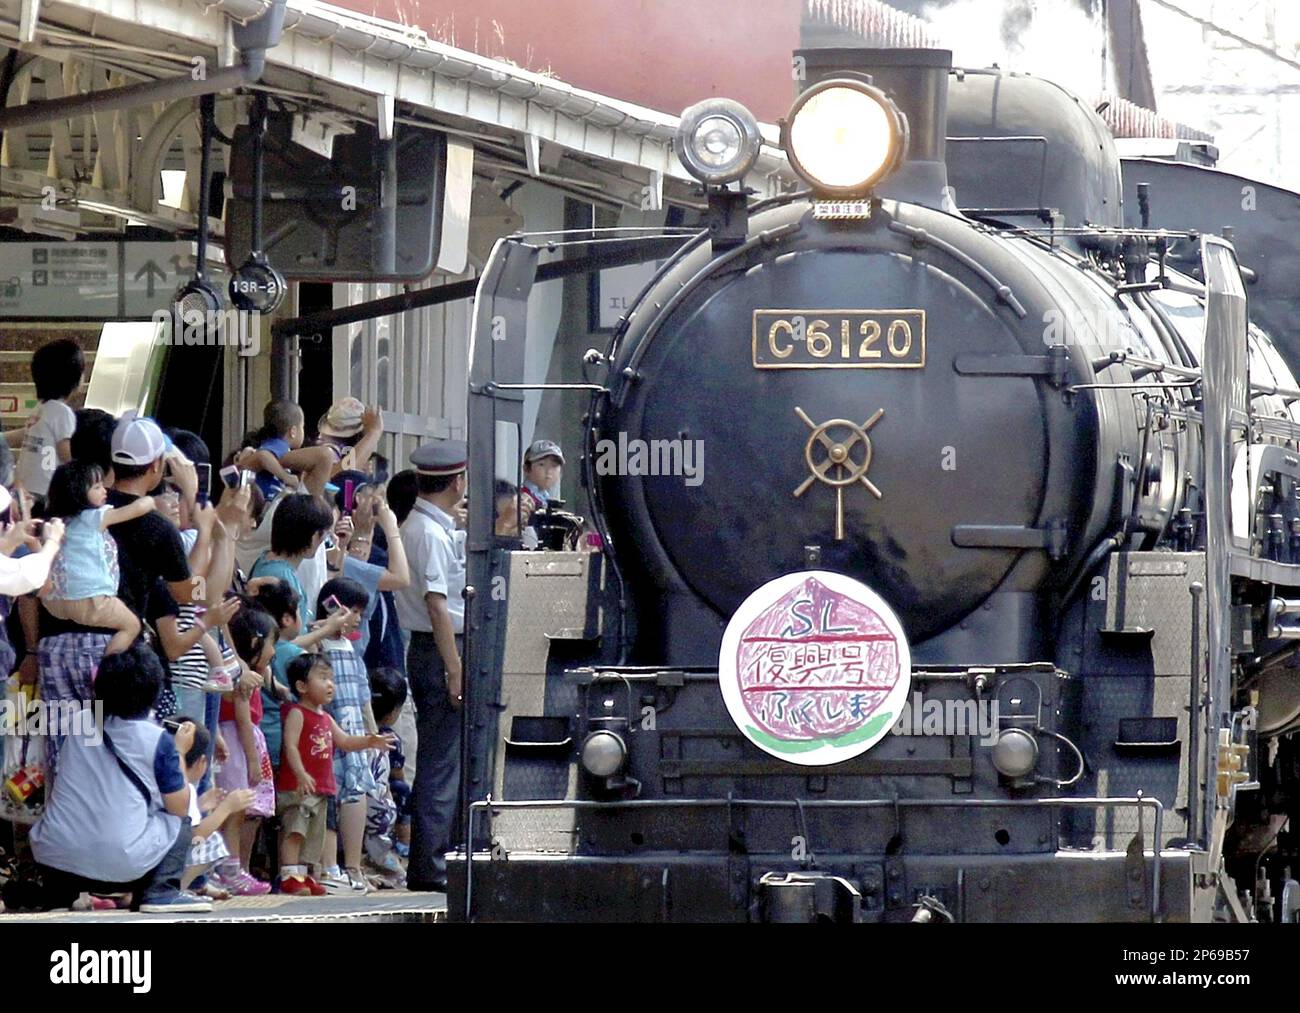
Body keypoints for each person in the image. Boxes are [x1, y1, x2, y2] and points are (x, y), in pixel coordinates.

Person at [29, 645, 212, 912]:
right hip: (120, 867)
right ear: (155, 691)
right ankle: (160, 893)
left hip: (55, 858)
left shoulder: (80, 722)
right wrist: (180, 753)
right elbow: (180, 807)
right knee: (180, 818)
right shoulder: (157, 739)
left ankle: (60, 895)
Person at [394, 440, 467, 891]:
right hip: (441, 648)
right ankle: (432, 866)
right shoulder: (429, 533)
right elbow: (438, 607)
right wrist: (454, 667)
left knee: (444, 759)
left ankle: (436, 861)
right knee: (441, 762)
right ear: (456, 481)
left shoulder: (425, 526)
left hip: (431, 647)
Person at [277, 653, 394, 897]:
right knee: (296, 829)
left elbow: (346, 741)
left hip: (321, 787)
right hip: (300, 787)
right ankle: (289, 874)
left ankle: (305, 874)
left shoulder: (326, 718)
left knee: (313, 835)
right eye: (322, 678)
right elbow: (290, 746)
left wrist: (369, 740)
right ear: (301, 686)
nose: (330, 684)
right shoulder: (297, 713)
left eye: (331, 678)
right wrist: (300, 773)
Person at [40, 461, 153, 655]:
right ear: (78, 492)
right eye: (97, 486)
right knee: (132, 626)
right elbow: (137, 509)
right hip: (91, 599)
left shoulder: (57, 522)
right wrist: (151, 501)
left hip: (55, 601)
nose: (104, 490)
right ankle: (104, 669)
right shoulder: (95, 517)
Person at [315, 577, 378, 894]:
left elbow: (364, 693)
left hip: (354, 731)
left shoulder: (351, 647)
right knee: (328, 796)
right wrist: (324, 629)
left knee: (356, 794)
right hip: (326, 730)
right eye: (351, 610)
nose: (355, 618)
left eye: (359, 613)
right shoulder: (318, 641)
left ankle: (353, 864)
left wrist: (372, 732)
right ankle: (328, 866)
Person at [211, 601, 279, 895]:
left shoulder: (244, 675)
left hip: (240, 744)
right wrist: (253, 761)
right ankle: (229, 869)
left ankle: (228, 868)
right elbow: (241, 720)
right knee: (235, 810)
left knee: (233, 811)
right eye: (272, 644)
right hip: (238, 748)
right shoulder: (240, 681)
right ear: (255, 643)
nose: (274, 652)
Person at [175, 719, 256, 896]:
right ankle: (174, 888)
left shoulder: (160, 780)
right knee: (212, 842)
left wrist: (199, 805)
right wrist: (227, 807)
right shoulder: (185, 788)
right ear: (202, 763)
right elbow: (196, 834)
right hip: (161, 861)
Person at [10, 338, 84, 501]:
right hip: (47, 488)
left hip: (27, 485)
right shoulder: (63, 413)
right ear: (73, 378)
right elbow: (65, 452)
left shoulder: (41, 408)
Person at [521, 439, 564, 515]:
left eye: (554, 466)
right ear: (526, 468)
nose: (549, 471)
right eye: (542, 465)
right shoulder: (523, 500)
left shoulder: (545, 498)